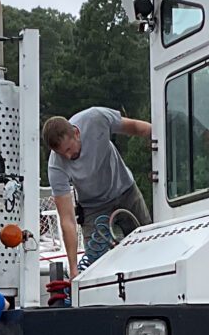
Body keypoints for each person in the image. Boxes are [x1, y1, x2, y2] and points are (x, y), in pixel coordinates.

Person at [44, 108, 152, 273]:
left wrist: (159, 134)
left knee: (149, 243)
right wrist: (73, 268)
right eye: (61, 153)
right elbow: (67, 220)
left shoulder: (95, 119)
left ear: (76, 133)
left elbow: (134, 127)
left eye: (68, 149)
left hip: (125, 190)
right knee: (97, 266)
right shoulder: (55, 166)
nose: (67, 157)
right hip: (93, 207)